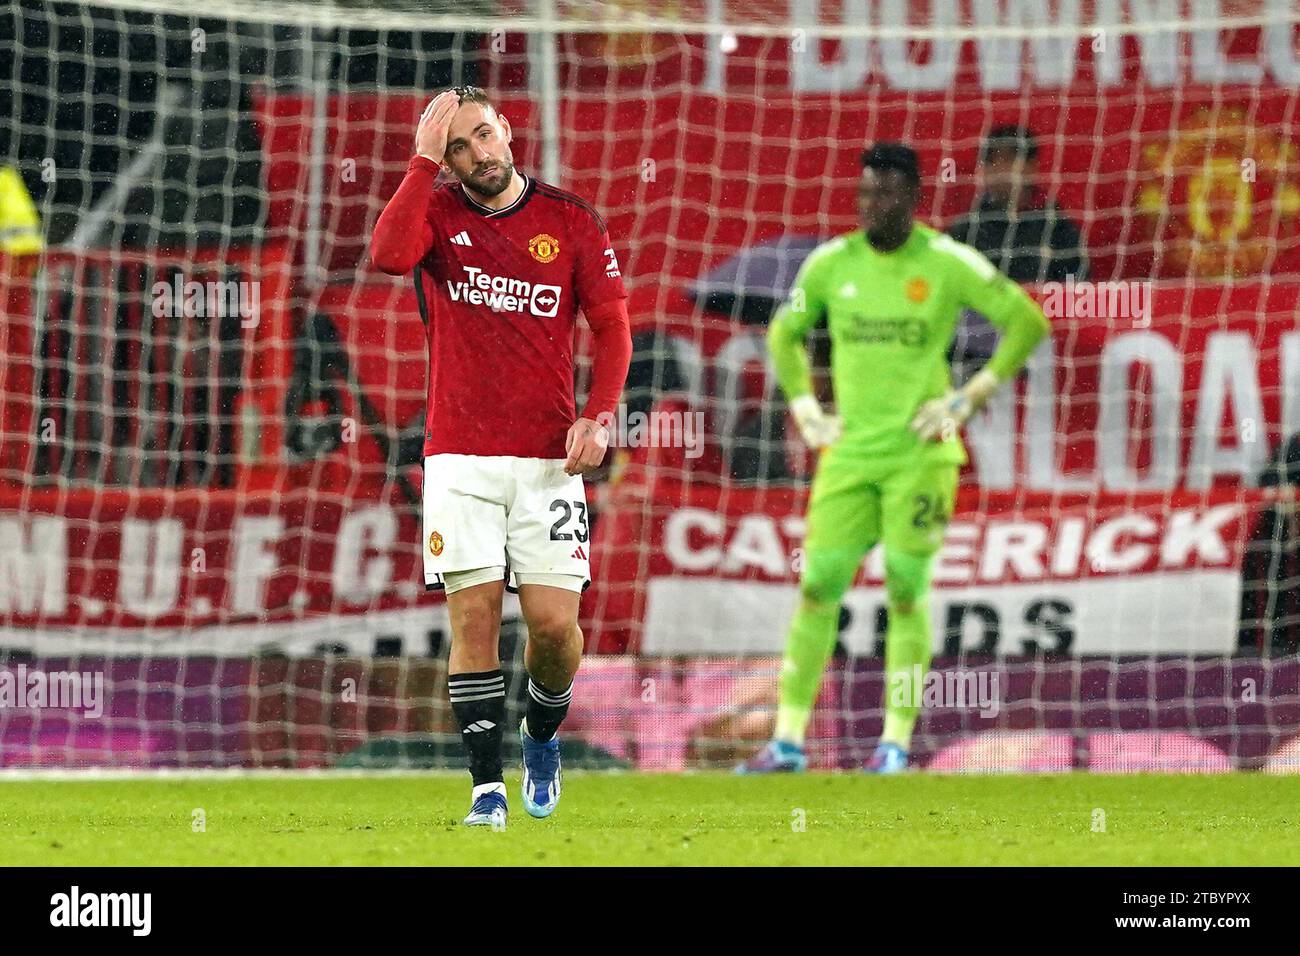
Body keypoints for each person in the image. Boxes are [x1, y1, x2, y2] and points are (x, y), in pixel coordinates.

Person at [738, 143, 1050, 774]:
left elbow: (1026, 322)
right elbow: (784, 331)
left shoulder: (945, 262)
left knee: (907, 592)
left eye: (884, 194)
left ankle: (894, 745)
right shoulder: (831, 265)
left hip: (921, 455)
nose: (871, 205)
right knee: (820, 586)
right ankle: (789, 740)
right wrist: (803, 404)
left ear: (912, 198)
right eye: (864, 194)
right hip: (849, 455)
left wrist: (969, 397)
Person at [370, 87, 632, 825]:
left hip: (548, 459)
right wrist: (420, 166)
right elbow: (387, 256)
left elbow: (613, 329)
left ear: (507, 130)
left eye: (484, 135)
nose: (479, 154)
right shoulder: (437, 213)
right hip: (457, 456)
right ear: (445, 160)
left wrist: (599, 417)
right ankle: (486, 788)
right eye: (458, 147)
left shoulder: (570, 220)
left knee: (553, 631)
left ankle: (541, 735)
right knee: (474, 621)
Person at [946, 125, 1087, 284]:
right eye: (991, 161)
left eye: (1008, 159)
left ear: (1032, 166)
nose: (999, 169)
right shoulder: (966, 228)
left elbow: (1075, 285)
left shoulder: (1057, 226)